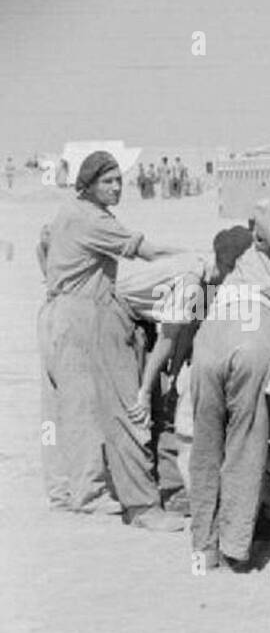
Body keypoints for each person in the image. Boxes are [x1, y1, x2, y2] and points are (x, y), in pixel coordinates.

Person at [36, 151, 187, 530]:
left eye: (119, 180)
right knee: (87, 408)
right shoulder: (93, 220)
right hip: (80, 315)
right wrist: (191, 256)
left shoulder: (67, 211)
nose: (117, 187)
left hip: (53, 311)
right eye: (108, 181)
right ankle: (91, 496)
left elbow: (43, 247)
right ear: (88, 184)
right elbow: (147, 251)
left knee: (57, 410)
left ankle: (62, 492)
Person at [188, 207, 270, 572]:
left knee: (206, 444)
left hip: (210, 338)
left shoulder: (217, 278)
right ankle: (235, 548)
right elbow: (266, 212)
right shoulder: (261, 256)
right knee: (246, 440)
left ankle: (202, 549)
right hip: (253, 330)